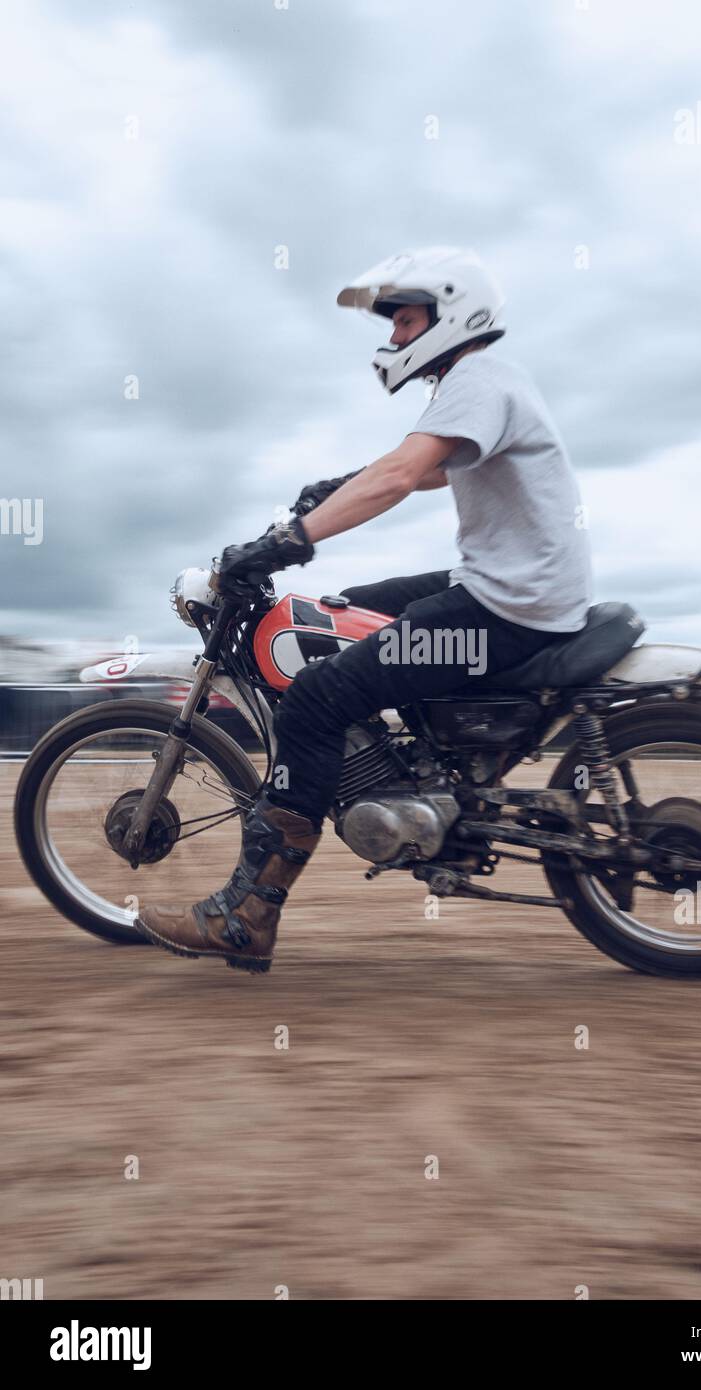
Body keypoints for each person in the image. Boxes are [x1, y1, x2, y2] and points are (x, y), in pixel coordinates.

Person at [137, 246, 593, 972]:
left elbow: (401, 473)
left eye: (408, 320)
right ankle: (408, 768)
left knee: (316, 699)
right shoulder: (481, 385)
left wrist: (290, 538)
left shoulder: (476, 379)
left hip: (510, 605)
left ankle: (248, 914)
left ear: (453, 315)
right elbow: (429, 469)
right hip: (513, 585)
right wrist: (337, 486)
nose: (397, 337)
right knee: (342, 613)